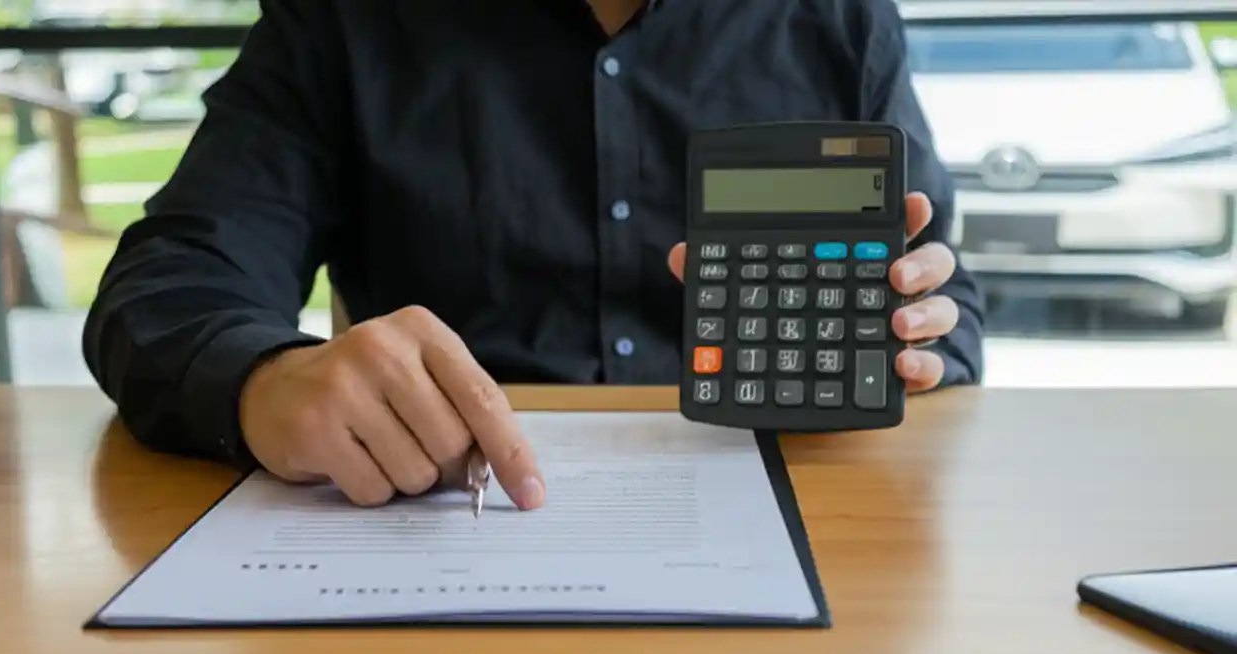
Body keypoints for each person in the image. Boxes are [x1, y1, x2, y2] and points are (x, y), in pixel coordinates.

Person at [83, 0, 984, 511]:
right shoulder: (342, 20)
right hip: (435, 521)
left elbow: (950, 306)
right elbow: (168, 282)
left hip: (789, 505)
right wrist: (262, 379)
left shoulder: (835, 18)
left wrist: (911, 334)